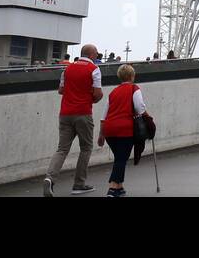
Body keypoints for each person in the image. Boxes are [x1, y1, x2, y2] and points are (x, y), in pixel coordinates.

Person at [44, 44, 104, 197]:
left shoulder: (68, 69)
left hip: (65, 113)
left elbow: (61, 90)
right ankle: (79, 184)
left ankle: (50, 178)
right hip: (83, 113)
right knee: (86, 148)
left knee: (62, 149)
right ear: (91, 54)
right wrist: (89, 95)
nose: (97, 56)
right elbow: (98, 94)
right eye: (96, 53)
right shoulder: (94, 70)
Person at [97, 63, 146, 197]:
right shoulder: (134, 89)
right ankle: (112, 188)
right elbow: (140, 108)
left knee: (119, 157)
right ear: (132, 76)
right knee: (121, 158)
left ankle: (119, 187)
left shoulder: (113, 92)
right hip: (125, 129)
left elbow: (104, 115)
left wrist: (101, 134)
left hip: (110, 130)